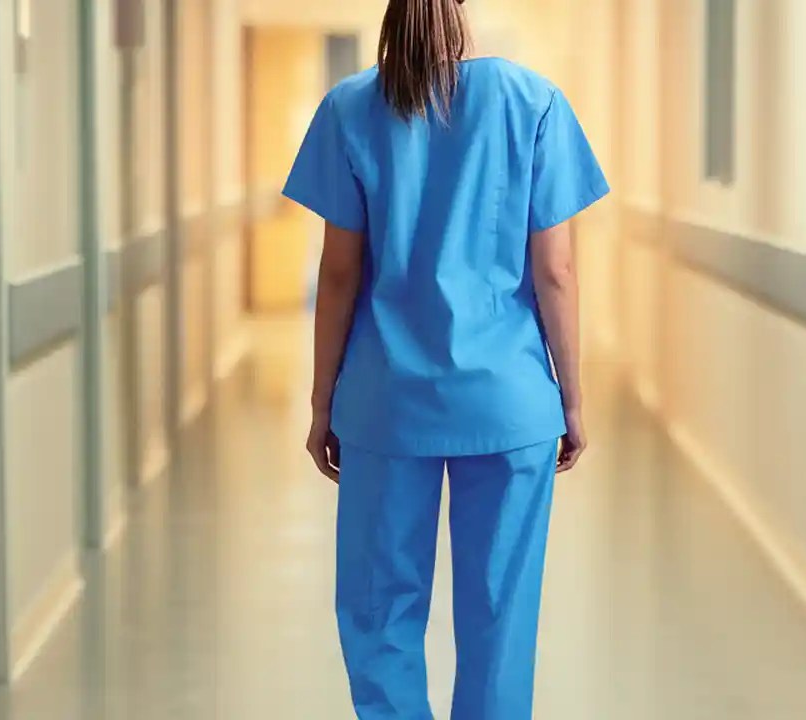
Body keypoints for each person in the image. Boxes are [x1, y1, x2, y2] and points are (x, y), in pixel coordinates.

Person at [282, 0, 608, 716]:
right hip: (508, 403)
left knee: (380, 611)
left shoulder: (350, 109)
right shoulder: (533, 102)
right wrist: (572, 400)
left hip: (386, 404)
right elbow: (555, 271)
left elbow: (338, 273)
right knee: (500, 615)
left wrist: (321, 403)